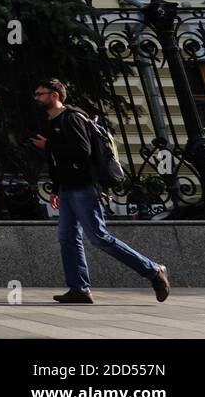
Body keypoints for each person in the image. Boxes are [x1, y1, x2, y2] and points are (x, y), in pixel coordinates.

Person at [29, 78, 169, 304]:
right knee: (67, 238)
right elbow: (58, 161)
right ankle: (79, 289)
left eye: (40, 94)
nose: (36, 98)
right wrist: (56, 188)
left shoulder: (71, 117)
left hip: (83, 187)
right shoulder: (54, 121)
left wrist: (49, 146)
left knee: (98, 237)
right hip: (67, 188)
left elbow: (81, 152)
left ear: (54, 95)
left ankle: (153, 270)